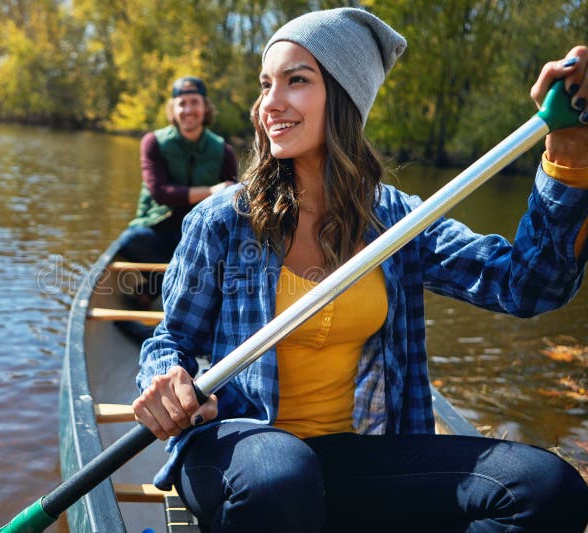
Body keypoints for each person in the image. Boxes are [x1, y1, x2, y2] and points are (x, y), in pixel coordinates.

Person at [132, 7, 588, 533]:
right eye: (265, 85)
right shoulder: (222, 221)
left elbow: (529, 285)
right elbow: (170, 339)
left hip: (352, 458)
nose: (268, 104)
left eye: (296, 81)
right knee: (283, 474)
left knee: (548, 488)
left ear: (346, 99)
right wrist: (166, 380)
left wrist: (569, 151)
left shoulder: (399, 221)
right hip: (238, 450)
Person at [118, 76, 238, 308]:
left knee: (230, 253)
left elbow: (232, 204)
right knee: (130, 240)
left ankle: (152, 291)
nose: (188, 110)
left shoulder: (224, 151)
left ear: (205, 108)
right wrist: (212, 191)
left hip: (199, 235)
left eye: (194, 102)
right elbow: (161, 193)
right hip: (158, 231)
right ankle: (171, 283)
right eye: (182, 103)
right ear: (173, 109)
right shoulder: (153, 142)